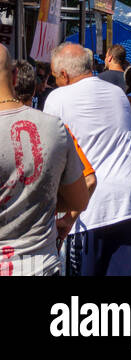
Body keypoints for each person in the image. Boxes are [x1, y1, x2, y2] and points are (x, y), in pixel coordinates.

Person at [43, 43, 131, 277]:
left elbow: (51, 155)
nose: (53, 82)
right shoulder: (117, 94)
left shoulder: (57, 98)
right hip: (127, 201)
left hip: (88, 208)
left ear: (63, 74)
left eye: (54, 76)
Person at [0, 44, 91, 276]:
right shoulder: (54, 127)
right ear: (13, 75)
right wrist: (38, 197)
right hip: (39, 266)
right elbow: (79, 200)